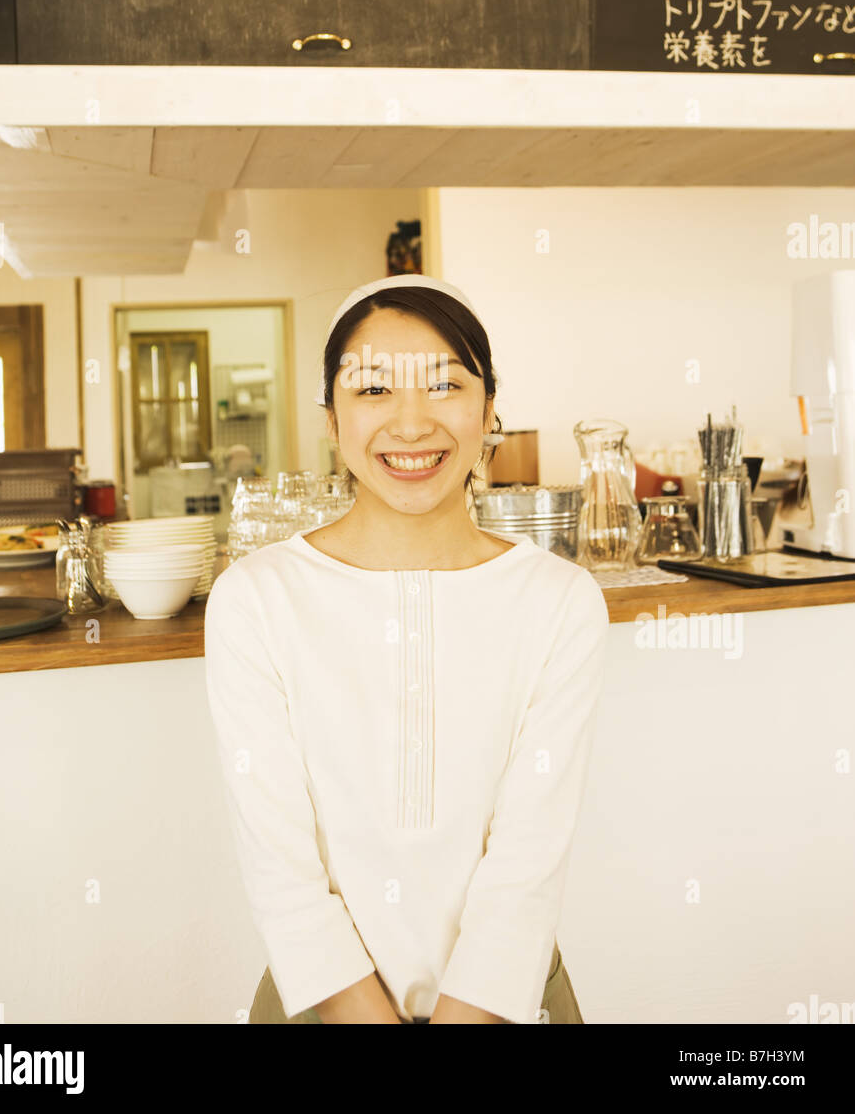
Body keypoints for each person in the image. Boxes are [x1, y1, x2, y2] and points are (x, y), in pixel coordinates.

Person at [204, 275, 610, 1024]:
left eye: (445, 386)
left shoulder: (560, 602)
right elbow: (280, 867)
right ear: (331, 417)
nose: (413, 423)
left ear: (489, 410)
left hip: (513, 1002)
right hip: (321, 1002)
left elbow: (528, 867)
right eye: (373, 391)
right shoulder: (256, 599)